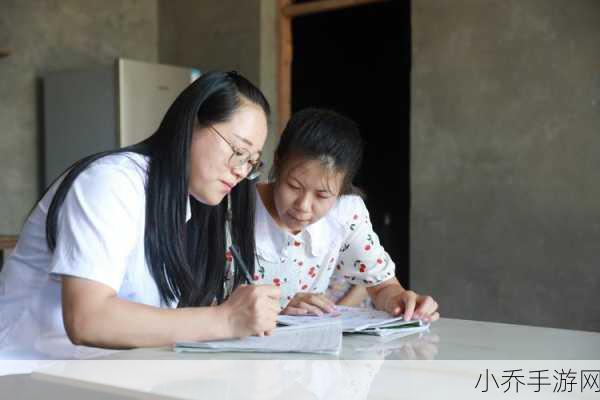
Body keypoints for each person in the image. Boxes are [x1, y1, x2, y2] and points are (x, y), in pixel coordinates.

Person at [0, 71, 281, 359]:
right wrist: (226, 319)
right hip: (23, 372)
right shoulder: (111, 181)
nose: (240, 170)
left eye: (251, 161)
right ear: (192, 124)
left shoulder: (185, 205)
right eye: (238, 150)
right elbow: (88, 319)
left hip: (97, 374)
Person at [253, 108, 439, 321]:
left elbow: (381, 286)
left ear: (342, 188)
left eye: (322, 195)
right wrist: (279, 308)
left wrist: (400, 301)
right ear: (278, 162)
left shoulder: (345, 213)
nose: (303, 206)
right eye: (293, 186)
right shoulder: (236, 206)